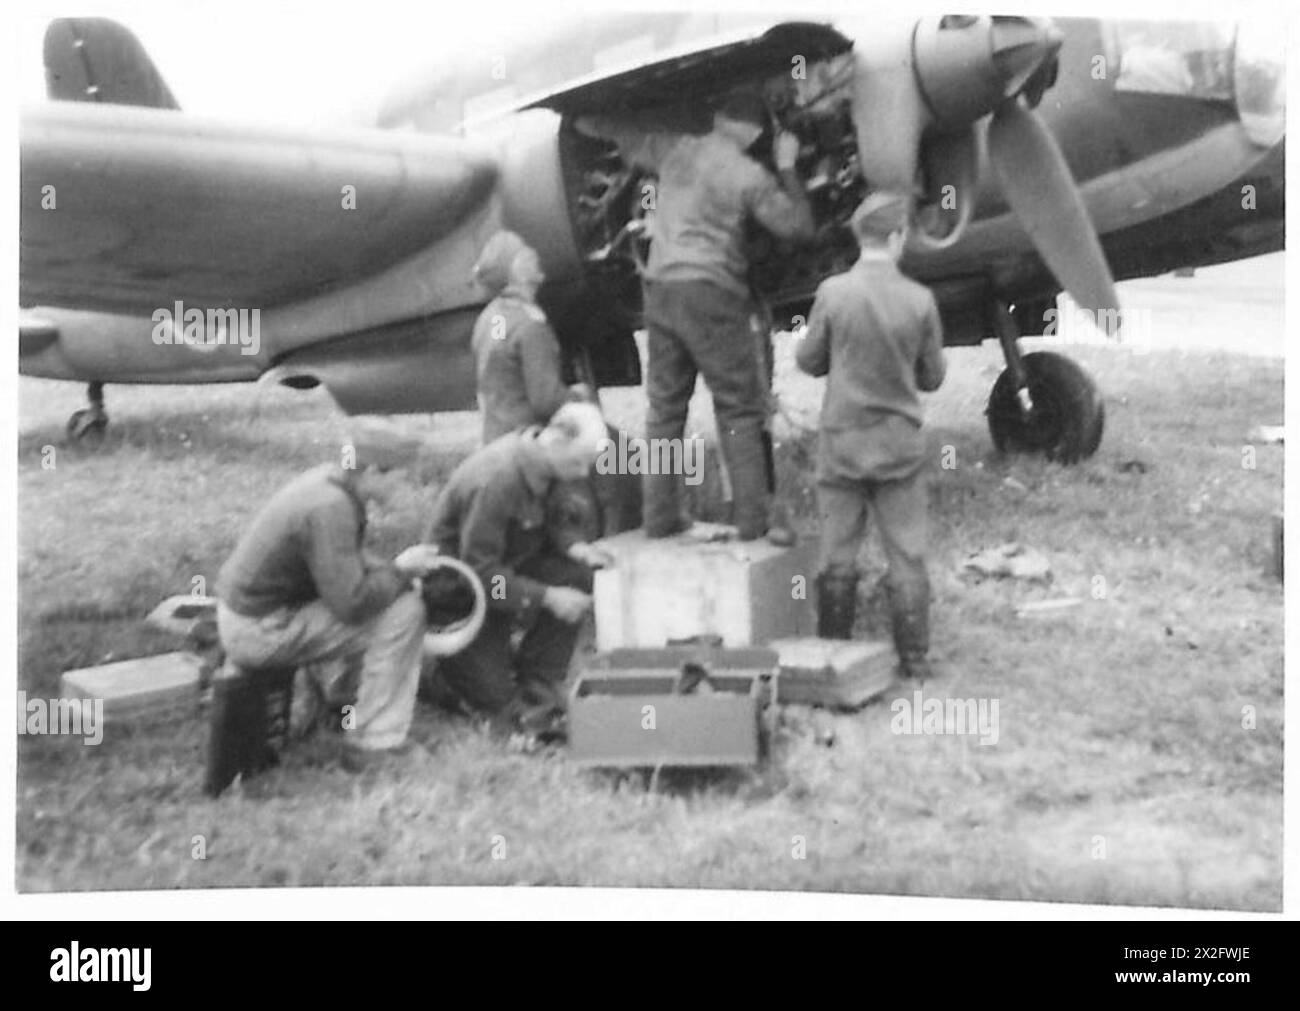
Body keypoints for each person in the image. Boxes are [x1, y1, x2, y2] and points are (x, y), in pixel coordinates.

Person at [576, 91, 815, 543]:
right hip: (712, 292)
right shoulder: (748, 174)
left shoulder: (675, 150)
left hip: (662, 292)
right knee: (738, 411)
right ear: (751, 131)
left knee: (664, 410)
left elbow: (618, 135)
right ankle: (752, 523)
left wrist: (589, 115)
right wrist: (787, 165)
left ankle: (660, 517)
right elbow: (798, 229)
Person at [214, 430, 441, 763]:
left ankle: (344, 706)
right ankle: (375, 743)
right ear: (374, 472)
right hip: (257, 632)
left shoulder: (328, 483)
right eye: (402, 478)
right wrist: (400, 571)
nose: (407, 487)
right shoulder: (331, 508)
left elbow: (345, 563)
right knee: (405, 612)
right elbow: (352, 604)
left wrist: (391, 573)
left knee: (386, 597)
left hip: (249, 618)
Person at [795, 192, 947, 681]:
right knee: (907, 553)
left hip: (842, 443)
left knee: (836, 550)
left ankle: (833, 650)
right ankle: (915, 658)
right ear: (898, 237)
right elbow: (932, 378)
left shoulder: (833, 293)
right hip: (898, 445)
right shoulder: (920, 300)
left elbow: (809, 360)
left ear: (861, 238)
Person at [424, 402, 610, 735]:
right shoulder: (496, 481)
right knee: (499, 705)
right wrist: (547, 597)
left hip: (506, 579)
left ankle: (540, 681)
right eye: (580, 462)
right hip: (460, 599)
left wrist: (575, 547)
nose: (584, 473)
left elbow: (556, 517)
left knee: (576, 575)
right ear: (556, 440)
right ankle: (440, 676)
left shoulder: (548, 463)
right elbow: (479, 575)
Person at [469, 229, 642, 537]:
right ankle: (617, 540)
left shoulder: (489, 319)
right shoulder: (530, 326)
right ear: (517, 272)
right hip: (528, 435)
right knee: (622, 452)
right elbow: (546, 401)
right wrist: (578, 396)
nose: (534, 256)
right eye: (524, 252)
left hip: (496, 433)